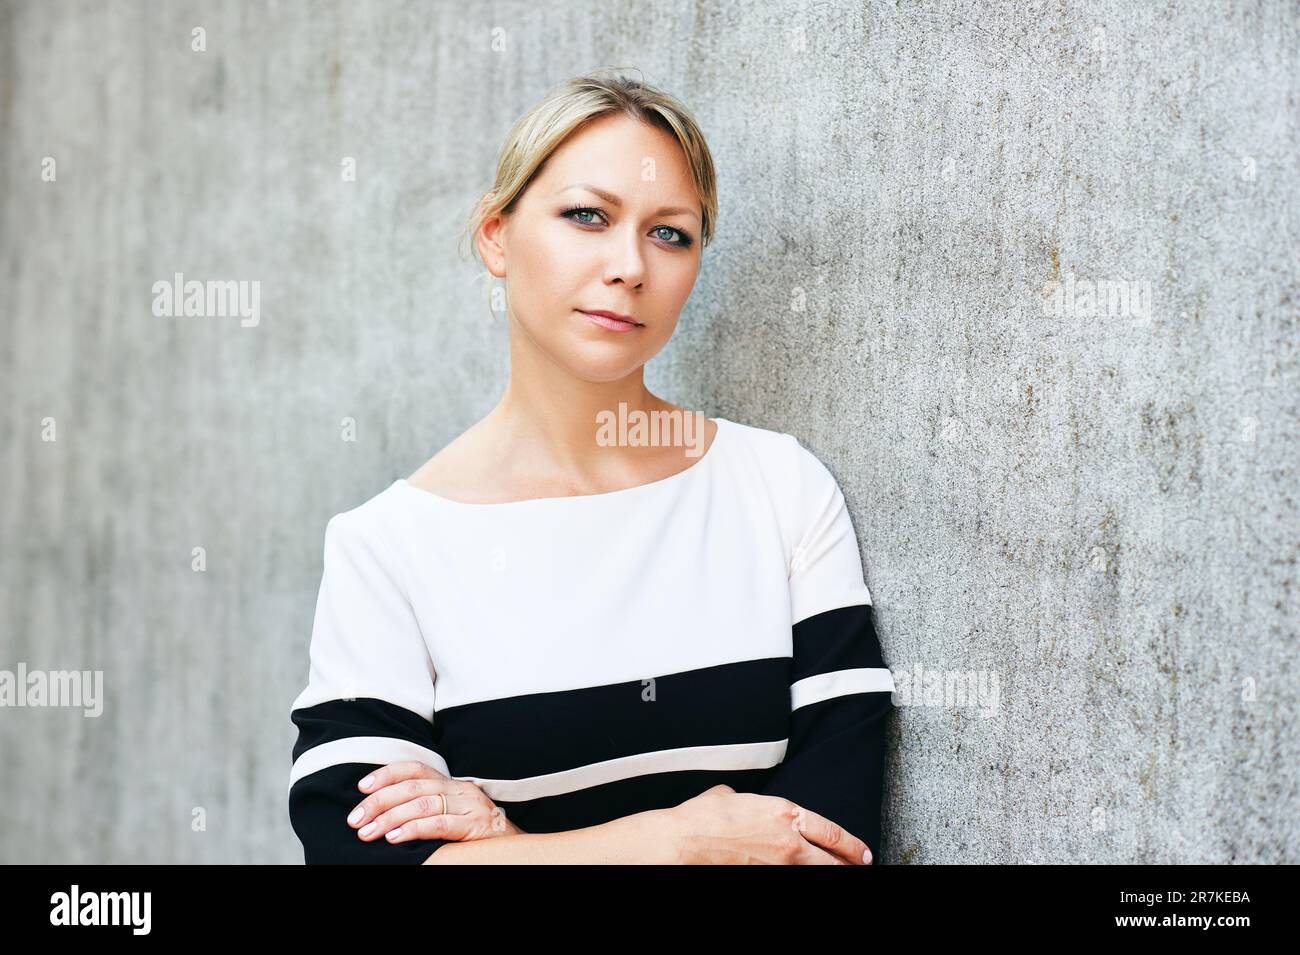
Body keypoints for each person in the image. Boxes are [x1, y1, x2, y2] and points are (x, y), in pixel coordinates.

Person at [288, 69, 895, 864]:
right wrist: (671, 841)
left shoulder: (780, 489)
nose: (630, 265)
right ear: (496, 234)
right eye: (587, 215)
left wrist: (514, 846)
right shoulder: (387, 548)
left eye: (669, 233)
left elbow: (829, 845)